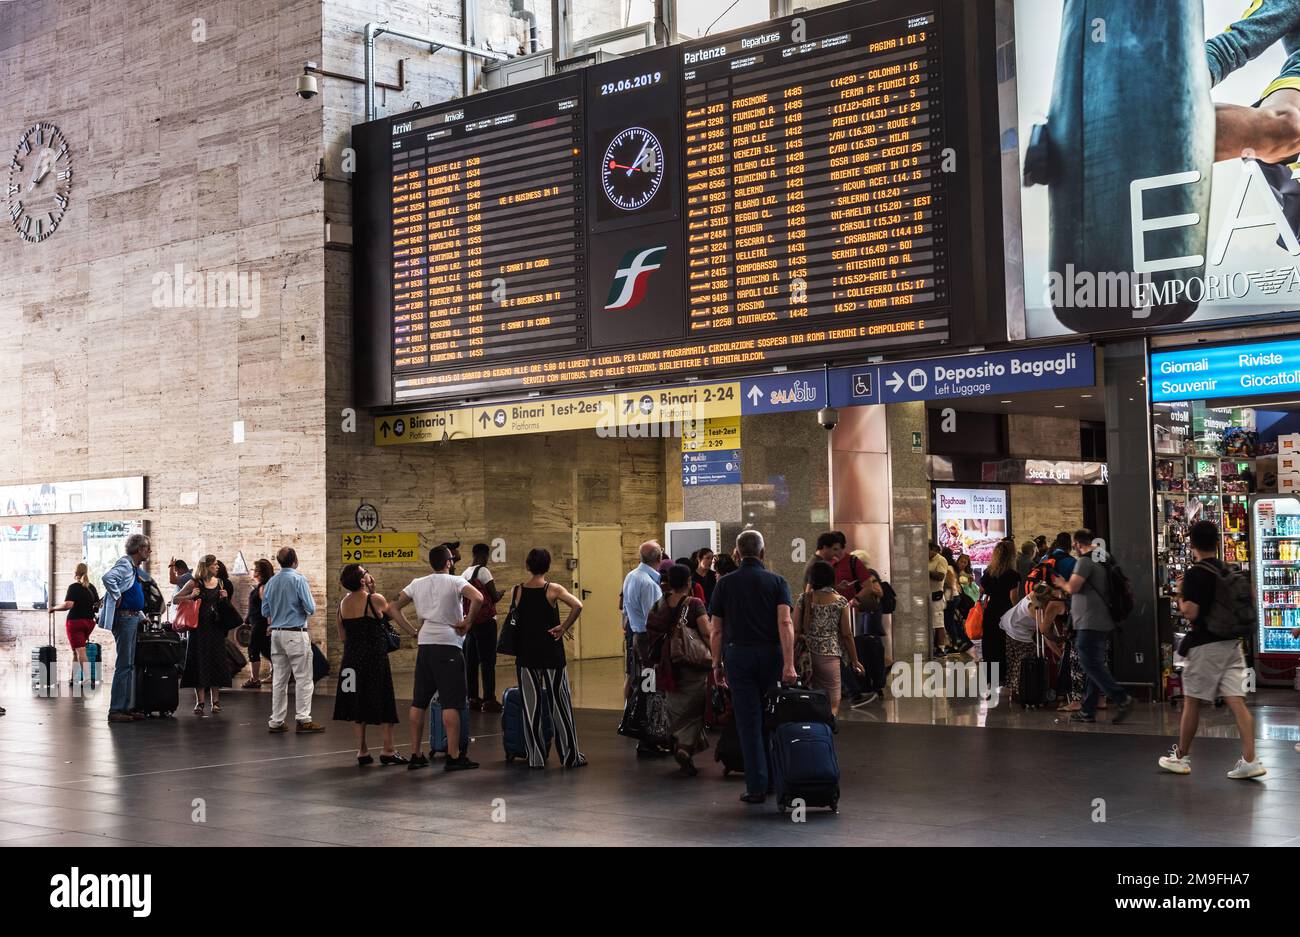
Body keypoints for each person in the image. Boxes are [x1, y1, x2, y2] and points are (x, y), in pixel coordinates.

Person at [1158, 520, 1266, 779]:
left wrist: (1180, 593)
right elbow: (1248, 598)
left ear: (1192, 544)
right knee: (1237, 702)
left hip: (1205, 645)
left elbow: (1190, 612)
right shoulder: (1229, 569)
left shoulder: (1196, 573)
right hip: (1232, 644)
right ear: (1217, 542)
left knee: (1192, 702)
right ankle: (1250, 759)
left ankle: (1181, 757)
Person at [709, 530, 797, 805]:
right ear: (763, 552)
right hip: (771, 656)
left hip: (738, 657)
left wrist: (716, 663)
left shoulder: (724, 584)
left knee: (748, 722)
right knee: (772, 717)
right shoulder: (777, 582)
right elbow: (785, 623)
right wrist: (789, 664)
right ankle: (775, 779)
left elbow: (717, 631)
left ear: (737, 553)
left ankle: (756, 786)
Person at [389, 546, 482, 771]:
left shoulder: (417, 583)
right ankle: (453, 755)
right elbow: (478, 597)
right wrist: (467, 622)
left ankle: (416, 754)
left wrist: (413, 631)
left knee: (419, 701)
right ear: (448, 563)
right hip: (448, 645)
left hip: (425, 645)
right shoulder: (456, 581)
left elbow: (392, 608)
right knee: (451, 701)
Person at [511, 548, 587, 769]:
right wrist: (563, 627)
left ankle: (535, 757)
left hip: (526, 654)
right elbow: (578, 605)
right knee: (560, 704)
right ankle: (570, 756)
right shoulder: (553, 589)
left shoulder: (517, 590)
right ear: (548, 566)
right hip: (551, 653)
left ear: (527, 565)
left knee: (531, 706)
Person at [334, 564, 409, 765]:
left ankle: (362, 751)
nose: (369, 574)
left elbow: (343, 636)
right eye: (365, 572)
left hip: (351, 659)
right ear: (362, 580)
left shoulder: (342, 604)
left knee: (357, 704)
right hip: (375, 658)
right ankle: (388, 749)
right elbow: (390, 615)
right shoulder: (375, 599)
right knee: (384, 700)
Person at [1056, 529, 1133, 724]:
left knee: (1089, 663)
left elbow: (1073, 588)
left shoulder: (1085, 561)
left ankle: (1122, 698)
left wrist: (1060, 582)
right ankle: (1088, 710)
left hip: (1090, 621)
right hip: (1103, 619)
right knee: (1095, 664)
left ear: (1077, 544)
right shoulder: (1104, 557)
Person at [643, 563, 711, 775]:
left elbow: (650, 630)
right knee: (696, 709)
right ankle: (684, 747)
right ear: (689, 582)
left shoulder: (659, 604)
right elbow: (707, 632)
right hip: (693, 664)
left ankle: (680, 743)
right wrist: (716, 656)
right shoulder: (694, 603)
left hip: (668, 665)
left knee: (676, 707)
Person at [262, 547, 323, 733]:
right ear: (295, 560)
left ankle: (276, 721)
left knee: (279, 679)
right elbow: (311, 608)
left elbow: (265, 611)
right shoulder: (298, 579)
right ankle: (304, 719)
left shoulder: (271, 582)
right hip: (295, 633)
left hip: (277, 634)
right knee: (304, 678)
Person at [793, 560, 864, 717]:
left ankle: (811, 732)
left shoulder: (803, 599)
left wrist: (790, 657)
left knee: (808, 697)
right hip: (830, 656)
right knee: (832, 702)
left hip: (806, 657)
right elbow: (846, 634)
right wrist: (855, 660)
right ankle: (826, 731)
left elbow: (796, 630)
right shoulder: (840, 602)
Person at [100, 533, 153, 724]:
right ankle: (116, 710)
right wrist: (115, 595)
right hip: (124, 620)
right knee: (124, 665)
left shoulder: (133, 567)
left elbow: (129, 593)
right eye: (147, 548)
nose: (150, 551)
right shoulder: (125, 564)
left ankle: (125, 707)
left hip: (131, 617)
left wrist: (141, 616)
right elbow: (107, 578)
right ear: (139, 549)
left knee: (128, 665)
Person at [173, 555, 234, 715]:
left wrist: (225, 598)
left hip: (216, 628)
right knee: (198, 661)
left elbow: (224, 606)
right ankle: (200, 702)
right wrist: (190, 596)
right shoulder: (194, 582)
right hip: (198, 628)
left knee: (216, 662)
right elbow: (175, 599)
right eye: (214, 564)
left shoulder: (220, 583)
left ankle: (216, 702)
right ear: (206, 567)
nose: (217, 567)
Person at [622, 541, 664, 753]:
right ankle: (649, 735)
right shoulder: (649, 584)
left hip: (637, 637)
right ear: (659, 559)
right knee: (651, 687)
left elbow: (626, 613)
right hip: (649, 640)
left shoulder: (631, 576)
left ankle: (644, 731)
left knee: (644, 683)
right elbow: (653, 619)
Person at [1000, 583, 1067, 700]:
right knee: (1025, 660)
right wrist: (1060, 654)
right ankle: (1022, 691)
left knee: (1019, 660)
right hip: (1016, 629)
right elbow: (1045, 634)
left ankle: (1020, 690)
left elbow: (1049, 627)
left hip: (1012, 621)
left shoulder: (1038, 593)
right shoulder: (1034, 608)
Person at [462, 542, 504, 713]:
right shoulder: (483, 571)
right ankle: (489, 700)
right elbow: (492, 597)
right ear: (485, 555)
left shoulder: (464, 573)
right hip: (485, 622)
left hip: (471, 622)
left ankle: (472, 698)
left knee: (471, 661)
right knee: (487, 661)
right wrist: (500, 594)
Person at [979, 539, 1021, 688]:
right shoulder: (1012, 574)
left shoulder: (988, 572)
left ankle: (990, 677)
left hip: (991, 610)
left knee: (989, 643)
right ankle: (1003, 677)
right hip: (1006, 611)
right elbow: (1013, 597)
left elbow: (982, 591)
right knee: (1004, 644)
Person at [49, 563, 99, 686]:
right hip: (89, 623)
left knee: (81, 651)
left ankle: (87, 680)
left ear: (76, 573)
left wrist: (53, 608)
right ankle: (74, 678)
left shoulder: (73, 587)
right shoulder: (91, 588)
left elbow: (68, 605)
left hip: (75, 623)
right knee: (76, 650)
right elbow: (97, 606)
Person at [242, 559, 274, 689]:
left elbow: (269, 608)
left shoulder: (263, 587)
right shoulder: (261, 586)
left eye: (253, 569)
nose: (251, 571)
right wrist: (247, 619)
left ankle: (254, 679)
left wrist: (269, 625)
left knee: (254, 650)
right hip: (258, 624)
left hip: (261, 626)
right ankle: (274, 676)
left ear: (258, 573)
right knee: (269, 651)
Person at [927, 542, 957, 658]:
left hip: (936, 596)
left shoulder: (941, 560)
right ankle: (932, 646)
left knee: (938, 623)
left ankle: (941, 648)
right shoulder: (924, 559)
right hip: (926, 596)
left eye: (927, 550)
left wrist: (926, 572)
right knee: (930, 623)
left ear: (933, 549)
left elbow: (940, 576)